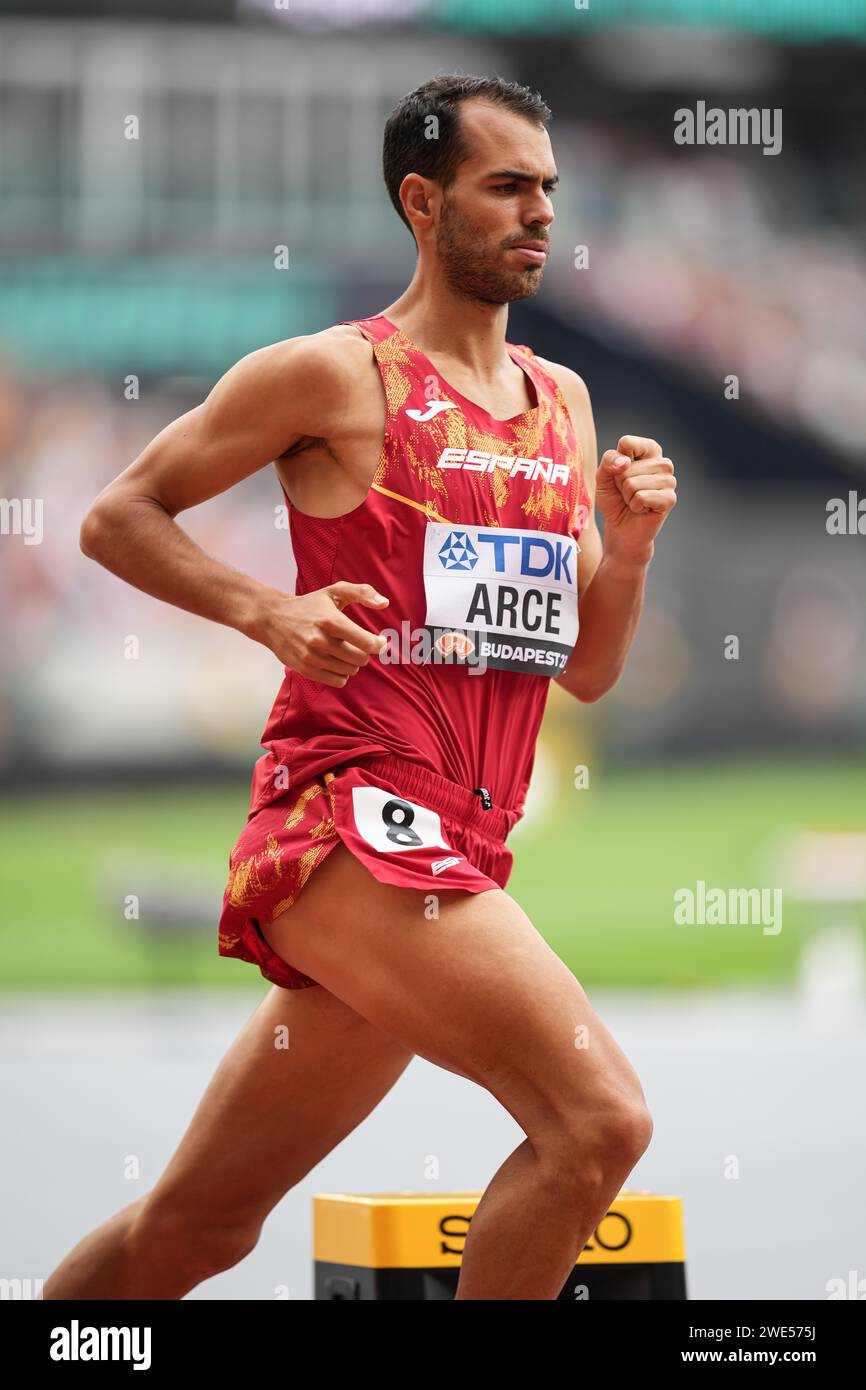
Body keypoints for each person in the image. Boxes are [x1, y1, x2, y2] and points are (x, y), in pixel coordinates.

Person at [44, 74, 677, 1301]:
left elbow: (588, 669)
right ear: (421, 203)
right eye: (506, 187)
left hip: (460, 850)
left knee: (200, 1225)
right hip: (347, 827)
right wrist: (267, 612)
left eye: (546, 187)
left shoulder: (561, 404)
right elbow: (118, 516)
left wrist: (629, 545)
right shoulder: (333, 377)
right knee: (597, 1122)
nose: (538, 211)